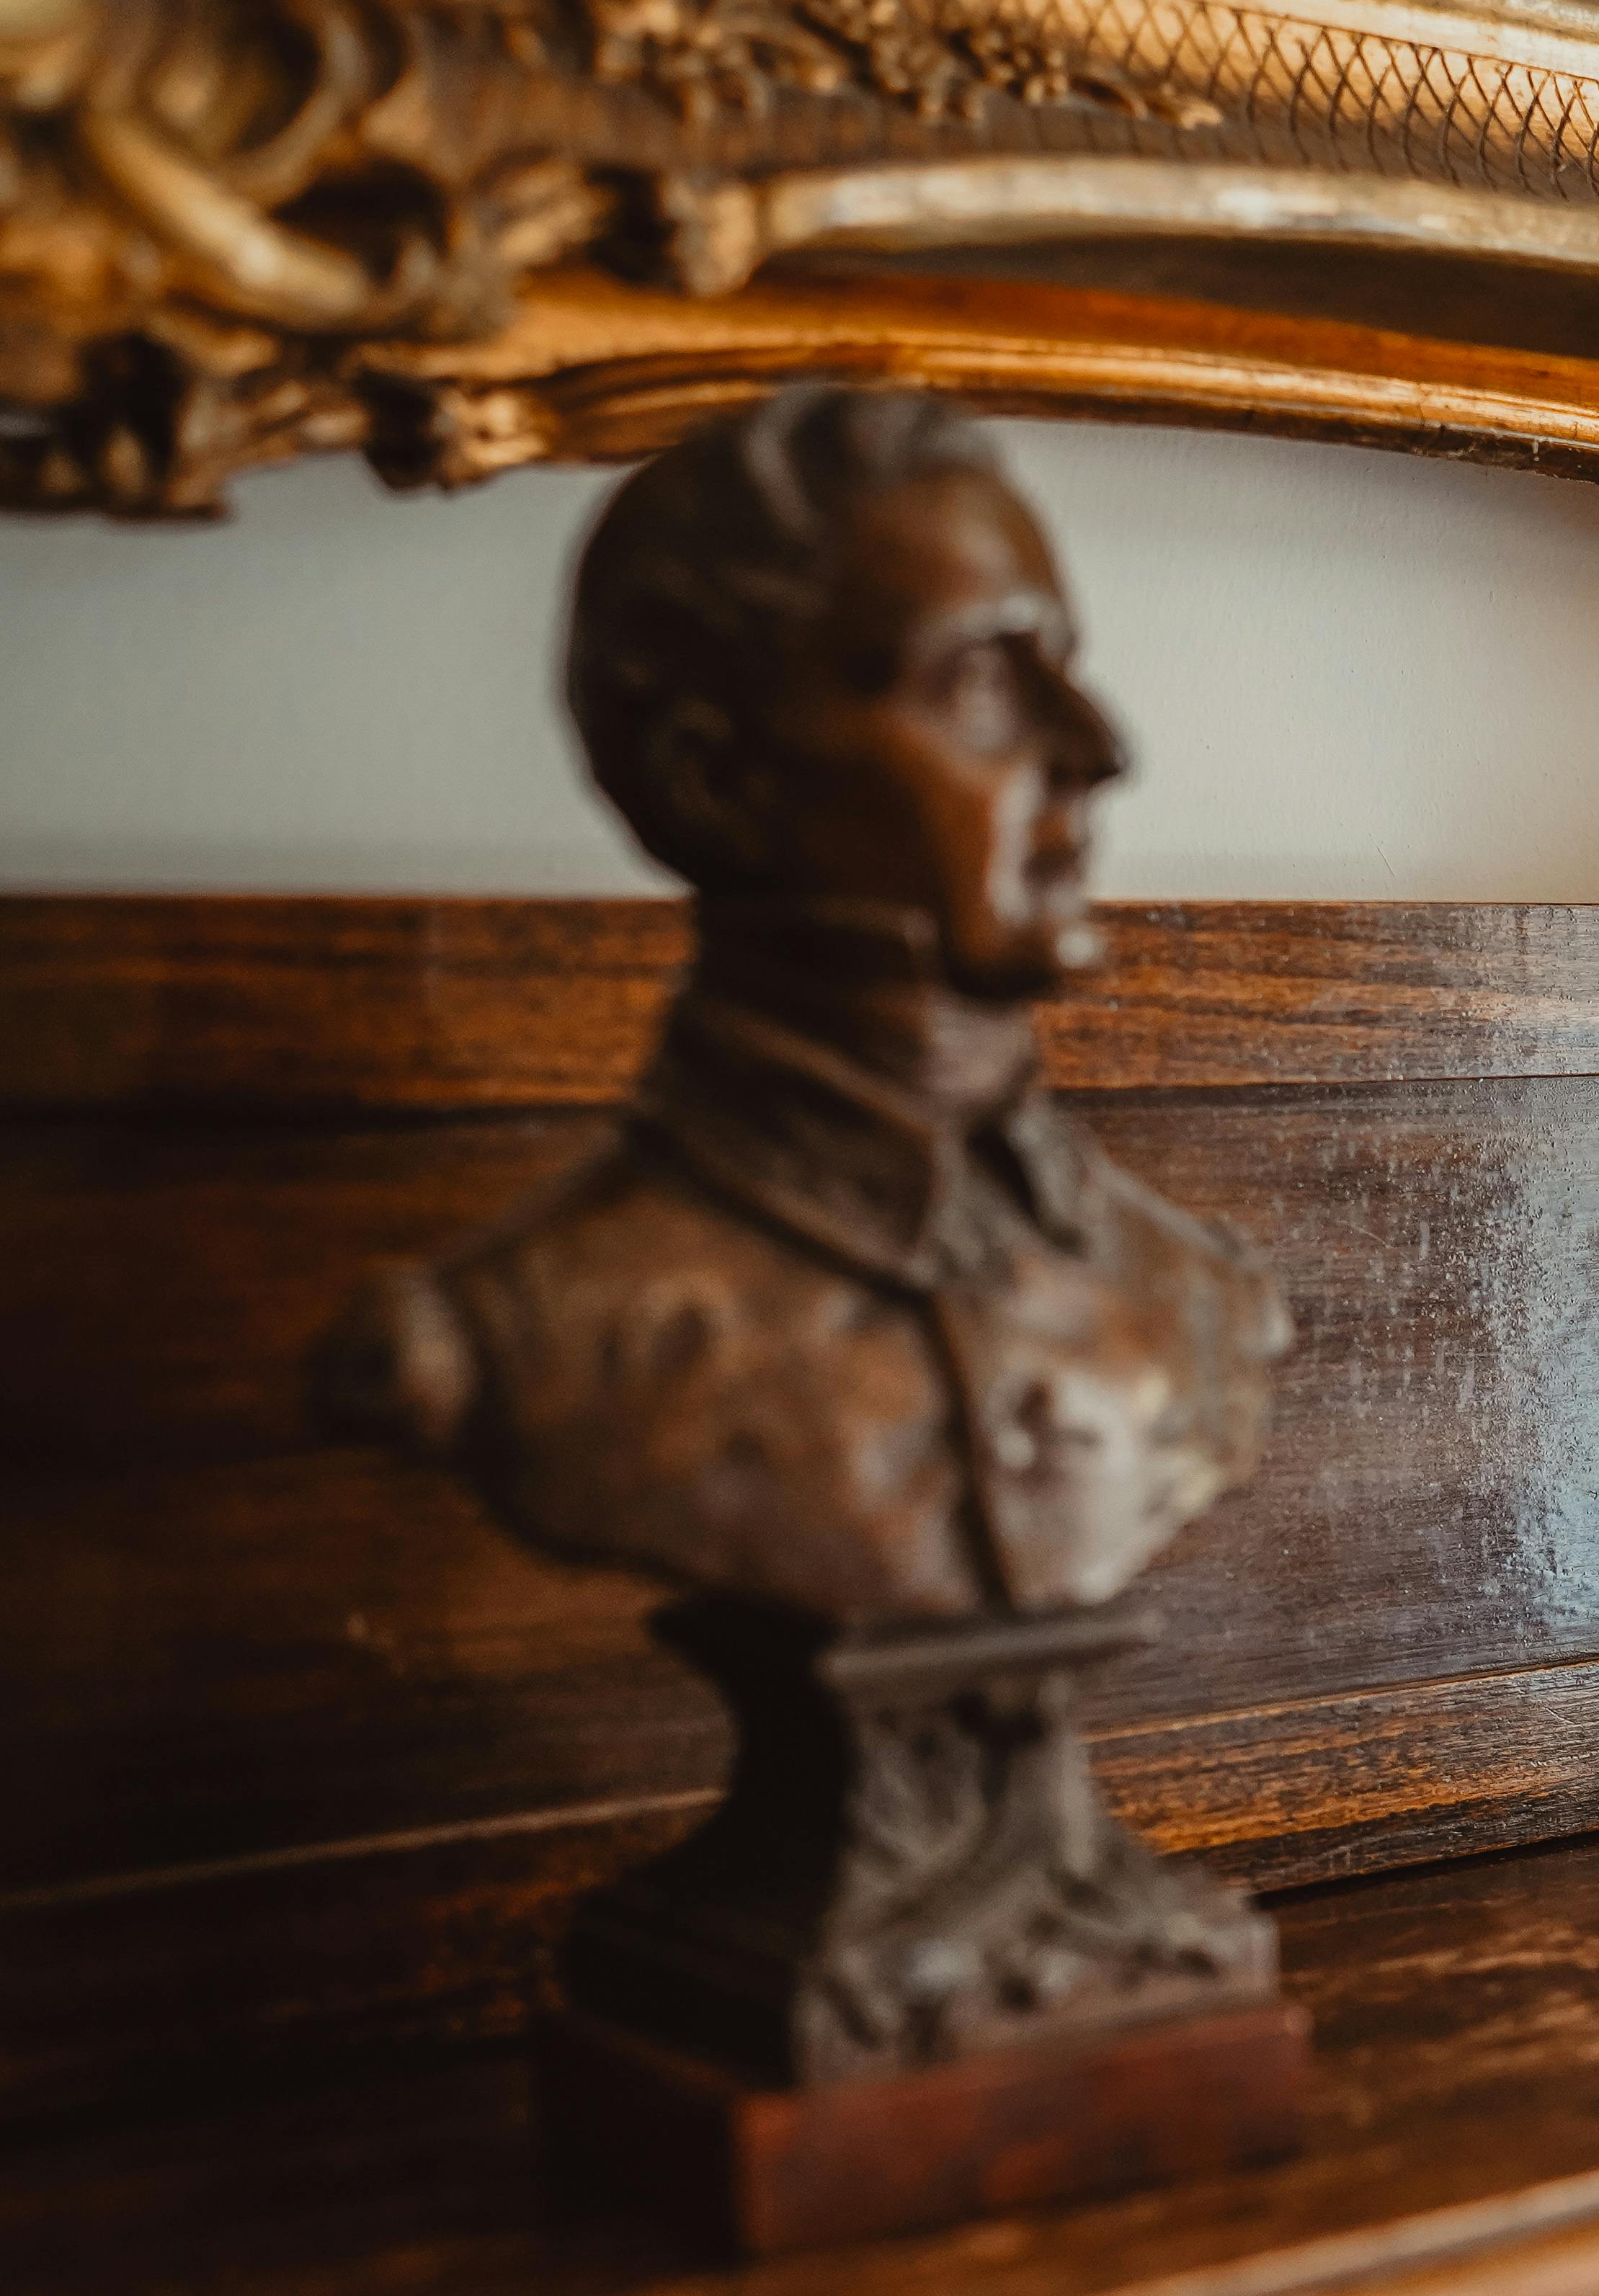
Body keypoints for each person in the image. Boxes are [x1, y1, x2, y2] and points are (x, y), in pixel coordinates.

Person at [317, 385, 1290, 1627]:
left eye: (1064, 668)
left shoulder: (1199, 1298)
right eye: (979, 680)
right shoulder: (533, 1350)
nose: (1099, 748)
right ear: (716, 782)